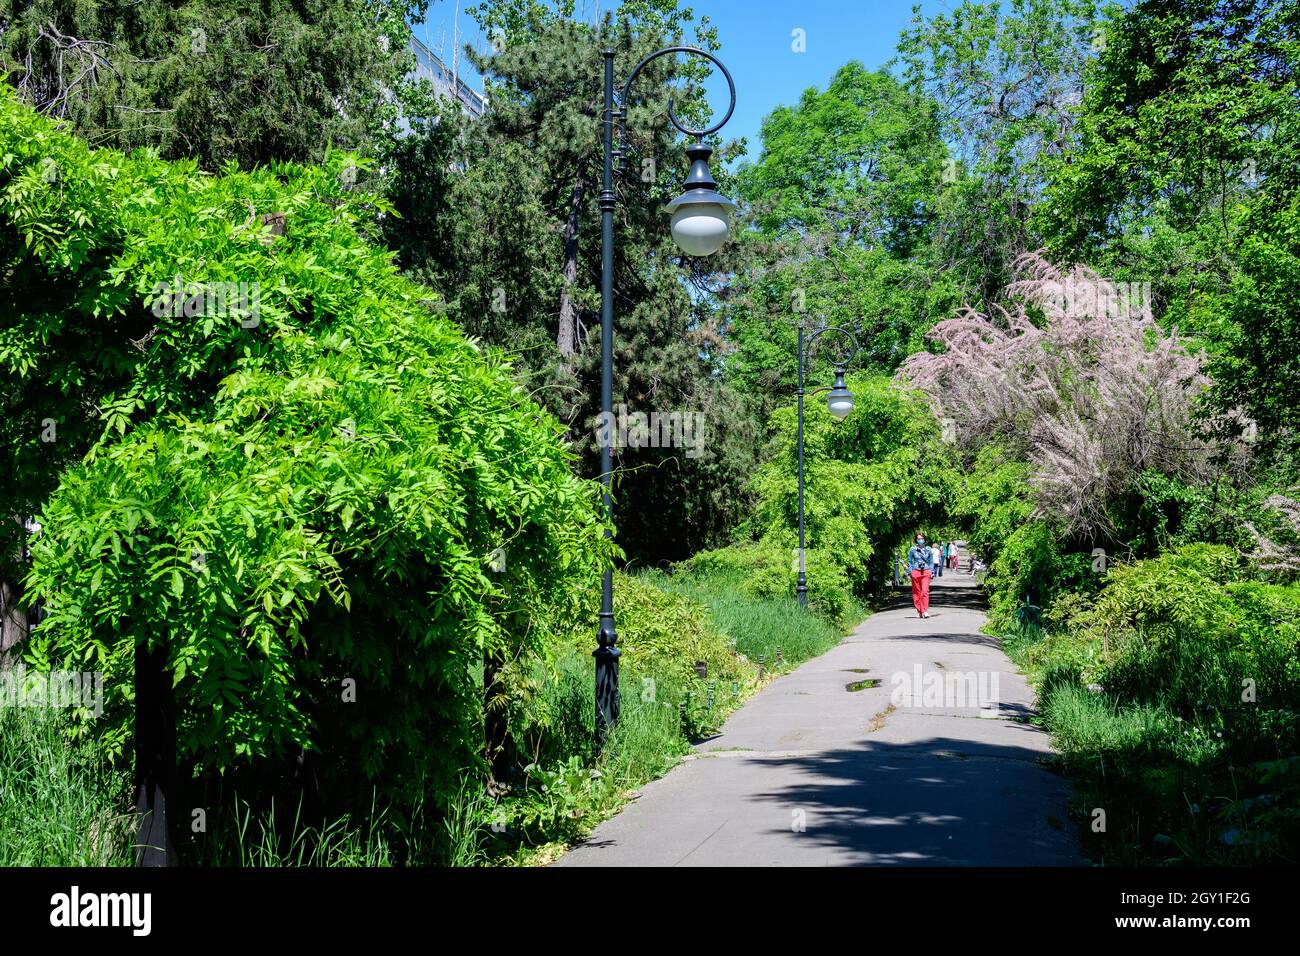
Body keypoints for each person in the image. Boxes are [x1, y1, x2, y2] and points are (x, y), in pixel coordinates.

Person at [907, 533, 933, 618]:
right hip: (916, 572)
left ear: (924, 539)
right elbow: (910, 561)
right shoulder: (912, 549)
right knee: (916, 592)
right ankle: (919, 611)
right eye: (918, 539)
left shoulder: (929, 549)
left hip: (926, 572)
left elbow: (931, 561)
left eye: (921, 538)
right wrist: (910, 572)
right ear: (916, 540)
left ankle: (925, 611)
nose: (920, 540)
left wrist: (931, 571)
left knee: (925, 591)